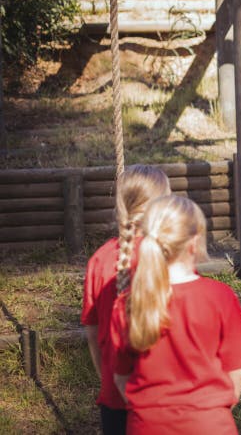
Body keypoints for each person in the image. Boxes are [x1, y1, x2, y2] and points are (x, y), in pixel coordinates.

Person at [110, 195, 241, 435]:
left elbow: (120, 378)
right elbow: (238, 373)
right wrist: (209, 411)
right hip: (210, 425)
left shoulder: (126, 303)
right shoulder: (220, 297)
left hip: (146, 426)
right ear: (194, 242)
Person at [81, 165, 170, 434]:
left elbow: (93, 333)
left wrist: (107, 377)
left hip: (115, 396)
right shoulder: (170, 258)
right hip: (166, 396)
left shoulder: (99, 259)